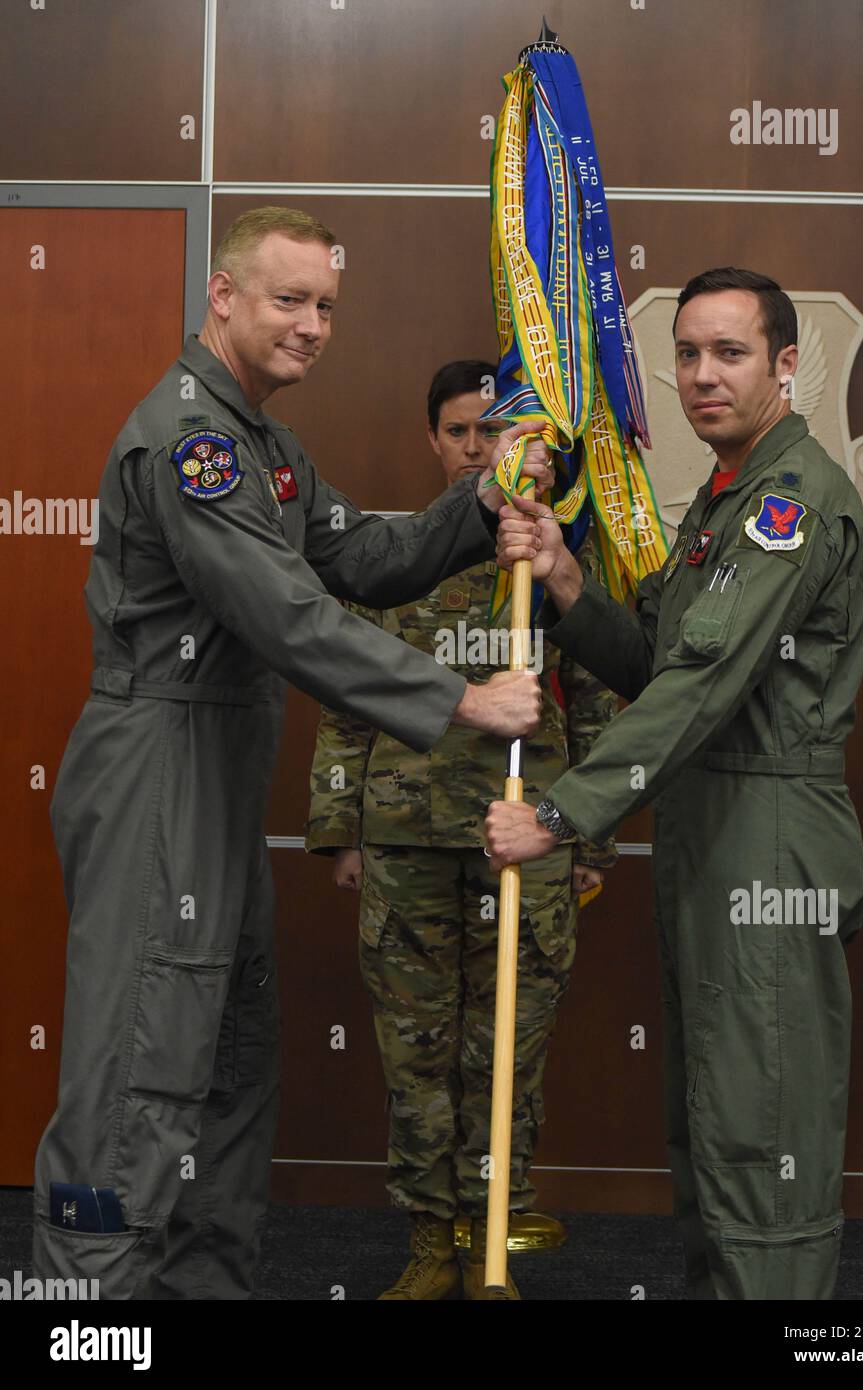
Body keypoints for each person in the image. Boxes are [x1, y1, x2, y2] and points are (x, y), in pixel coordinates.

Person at [33, 207, 555, 1300]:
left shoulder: (266, 442)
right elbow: (281, 613)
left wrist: (484, 497)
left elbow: (363, 556)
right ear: (221, 296)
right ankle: (88, 1314)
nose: (313, 325)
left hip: (219, 762)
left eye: (326, 305)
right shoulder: (196, 438)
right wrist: (459, 697)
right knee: (141, 1065)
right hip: (158, 758)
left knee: (226, 1054)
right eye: (288, 300)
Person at [486, 267, 863, 1301]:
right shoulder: (722, 500)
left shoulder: (786, 505)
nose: (702, 376)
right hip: (712, 824)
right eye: (690, 354)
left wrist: (559, 813)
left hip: (770, 832)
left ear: (786, 367)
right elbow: (657, 657)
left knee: (762, 1122)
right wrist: (568, 584)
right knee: (711, 1115)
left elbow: (700, 688)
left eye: (731, 354)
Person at [306, 360, 618, 1300]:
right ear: (433, 440)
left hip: (523, 842)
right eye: (460, 432)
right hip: (405, 844)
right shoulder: (390, 557)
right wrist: (342, 831)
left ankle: (492, 1245)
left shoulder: (556, 557)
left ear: (529, 444)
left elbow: (603, 703)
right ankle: (428, 1244)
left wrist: (590, 839)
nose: (479, 449)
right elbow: (344, 702)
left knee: (504, 1057)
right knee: (416, 1055)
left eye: (498, 431)